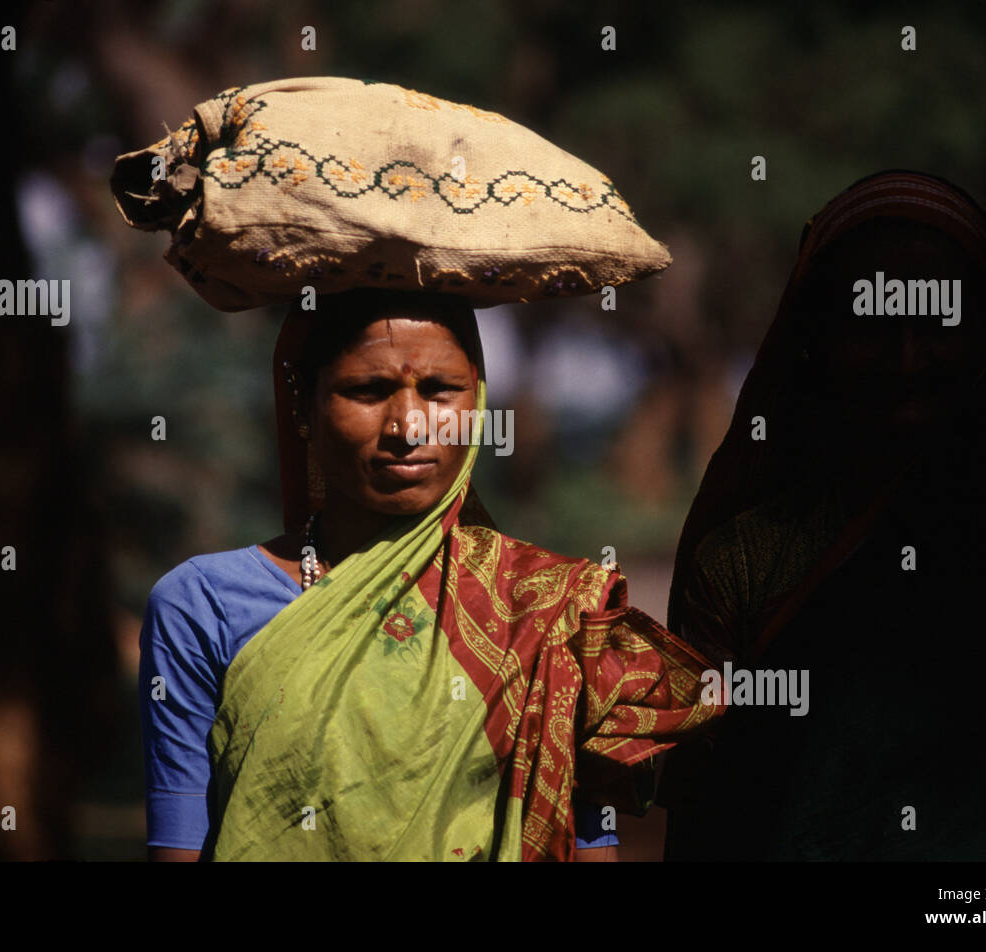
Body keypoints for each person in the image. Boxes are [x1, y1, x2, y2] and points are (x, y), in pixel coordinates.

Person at [139, 288, 722, 861]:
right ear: (303, 410)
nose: (410, 426)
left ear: (479, 401)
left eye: (441, 391)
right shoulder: (203, 604)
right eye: (367, 391)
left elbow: (584, 844)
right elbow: (181, 841)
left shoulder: (549, 613)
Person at [659, 170, 986, 860]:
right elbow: (704, 806)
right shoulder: (745, 563)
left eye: (938, 324)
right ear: (818, 335)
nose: (906, 359)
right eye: (872, 325)